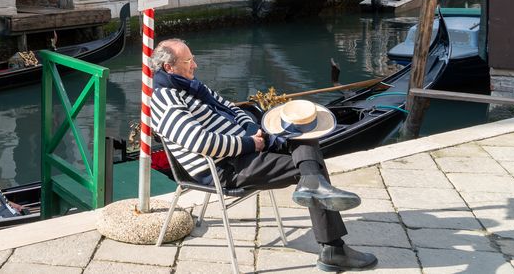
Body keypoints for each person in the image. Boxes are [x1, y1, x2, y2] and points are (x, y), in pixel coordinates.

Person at [150, 38, 378, 272]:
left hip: (246, 147)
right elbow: (202, 143)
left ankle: (313, 188)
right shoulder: (166, 101)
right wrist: (250, 144)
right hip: (225, 167)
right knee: (311, 165)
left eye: (193, 59)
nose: (195, 65)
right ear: (169, 67)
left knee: (303, 132)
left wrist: (252, 130)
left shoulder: (192, 86)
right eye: (189, 61)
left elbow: (233, 108)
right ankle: (332, 247)